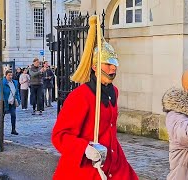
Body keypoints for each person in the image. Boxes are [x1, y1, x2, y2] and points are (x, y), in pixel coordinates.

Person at [51, 16, 138, 180]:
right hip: (86, 166)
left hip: (114, 161)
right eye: (108, 64)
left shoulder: (115, 91)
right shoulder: (80, 96)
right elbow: (59, 135)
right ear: (95, 66)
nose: (113, 68)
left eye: (114, 64)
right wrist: (84, 148)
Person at [0, 70, 21, 135]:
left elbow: (17, 92)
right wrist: (2, 101)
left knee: (13, 115)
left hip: (12, 102)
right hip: (5, 102)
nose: (10, 76)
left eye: (11, 75)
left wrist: (18, 100)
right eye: (9, 75)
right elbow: (0, 93)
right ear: (6, 75)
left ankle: (13, 129)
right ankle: (0, 130)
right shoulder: (3, 83)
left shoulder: (14, 82)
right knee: (1, 117)